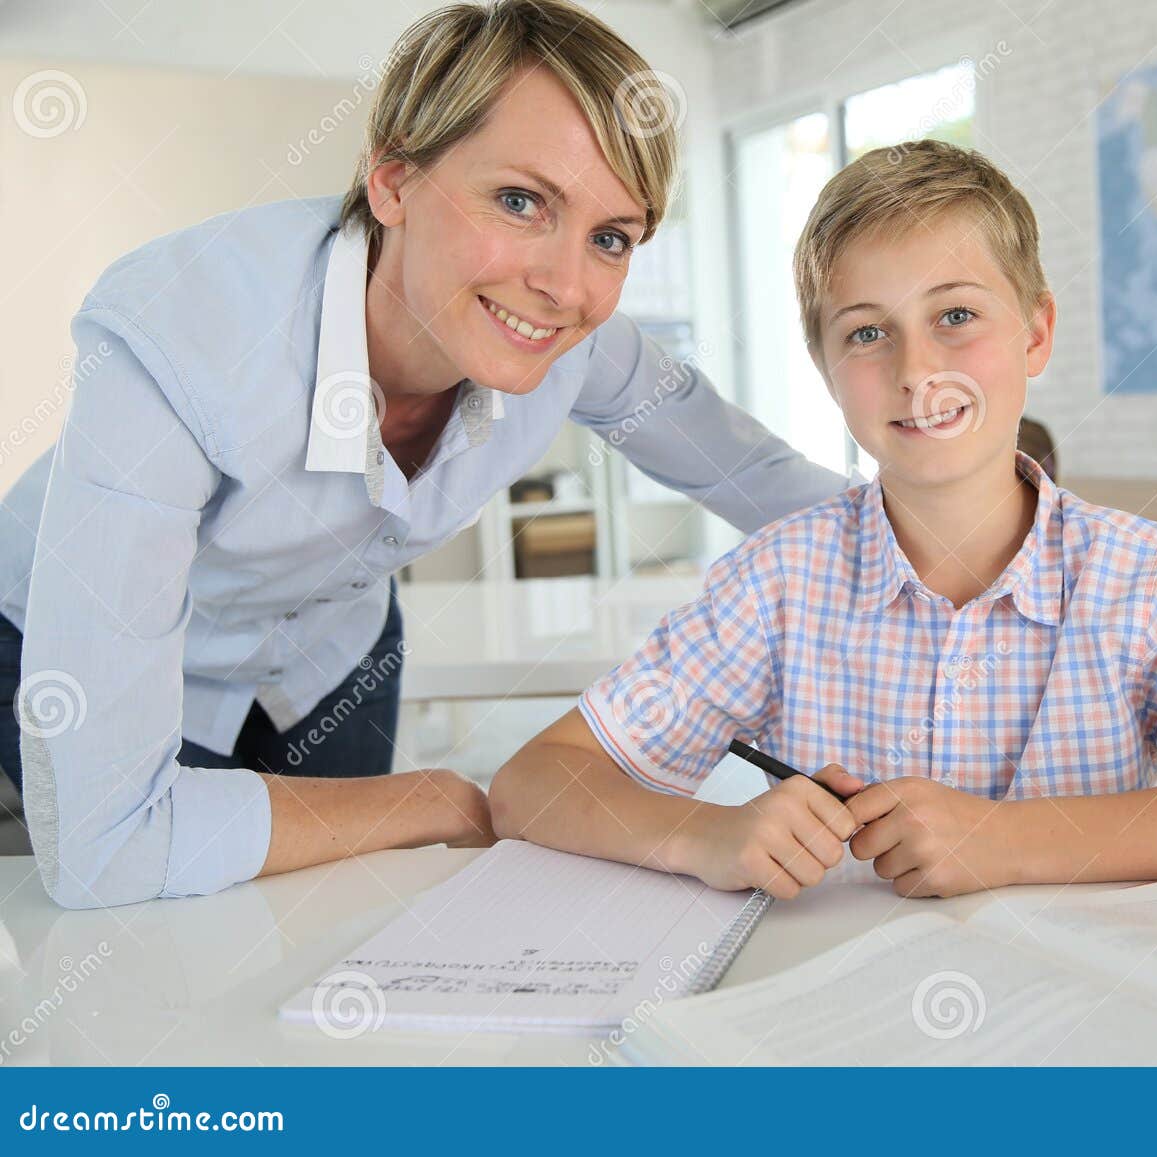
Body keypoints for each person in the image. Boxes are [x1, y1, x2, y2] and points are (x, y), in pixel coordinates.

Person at [0, 0, 845, 909]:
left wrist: (980, 536)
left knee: (345, 928)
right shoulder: (178, 339)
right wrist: (435, 795)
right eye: (520, 201)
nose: (566, 287)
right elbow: (108, 847)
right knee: (149, 941)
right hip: (82, 642)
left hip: (328, 655)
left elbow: (763, 481)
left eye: (611, 237)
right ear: (393, 181)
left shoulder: (583, 347)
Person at [488, 140, 1157, 899]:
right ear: (823, 366)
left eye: (957, 314)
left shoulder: (1145, 580)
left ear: (1035, 333)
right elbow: (534, 783)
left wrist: (1009, 841)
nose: (915, 368)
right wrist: (707, 834)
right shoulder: (777, 582)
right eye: (866, 331)